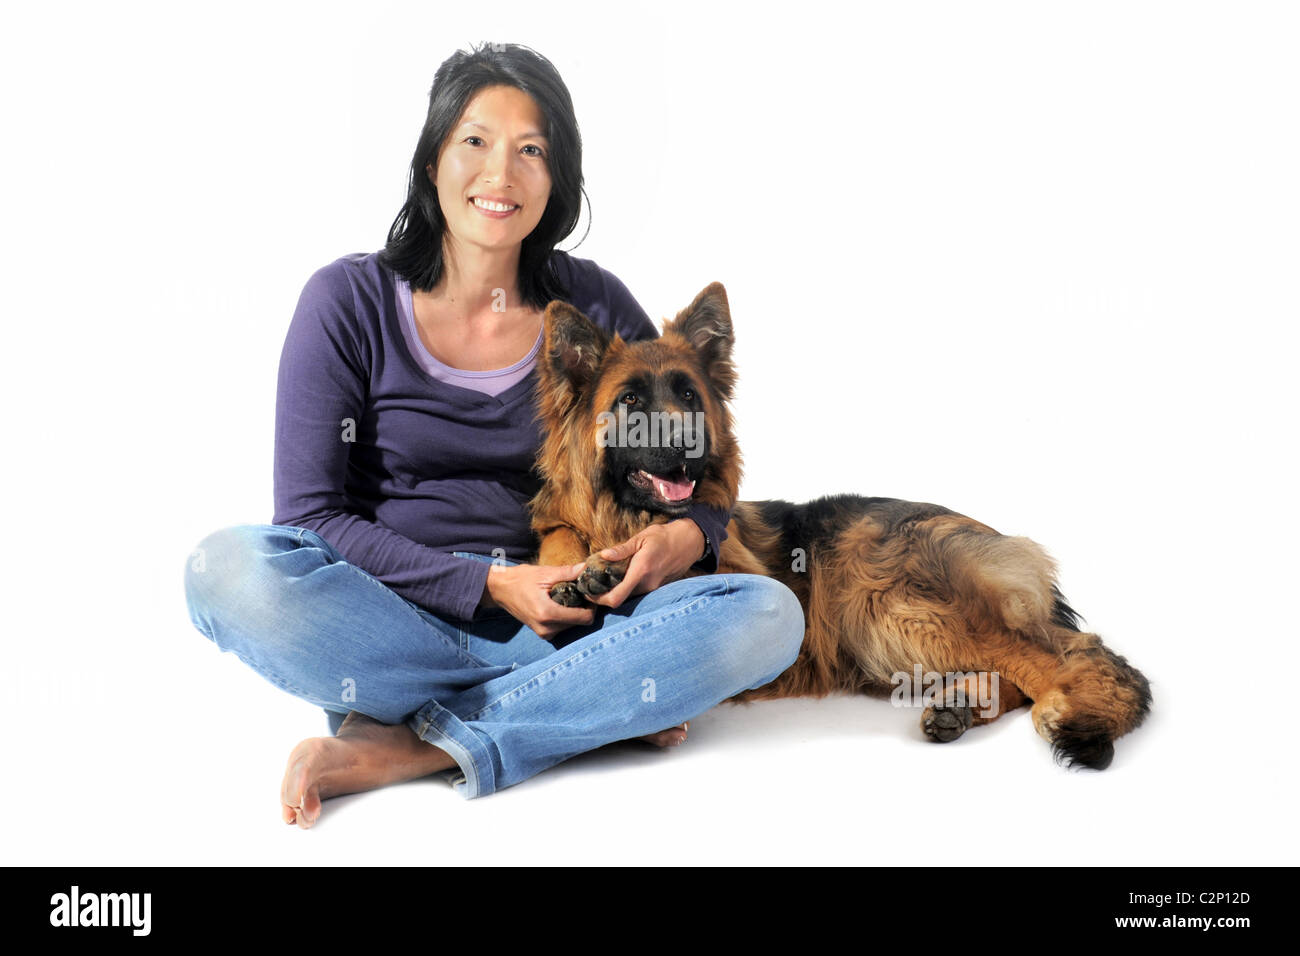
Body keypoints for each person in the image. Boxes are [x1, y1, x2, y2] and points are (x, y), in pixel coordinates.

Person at [183, 42, 804, 828]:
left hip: (573, 615)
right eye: (474, 141)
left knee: (768, 615)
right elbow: (309, 519)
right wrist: (486, 585)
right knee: (224, 572)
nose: (500, 175)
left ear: (558, 177)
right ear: (432, 158)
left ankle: (412, 743)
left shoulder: (596, 305)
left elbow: (688, 462)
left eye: (531, 150)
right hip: (388, 612)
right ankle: (579, 709)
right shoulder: (345, 301)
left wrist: (689, 538)